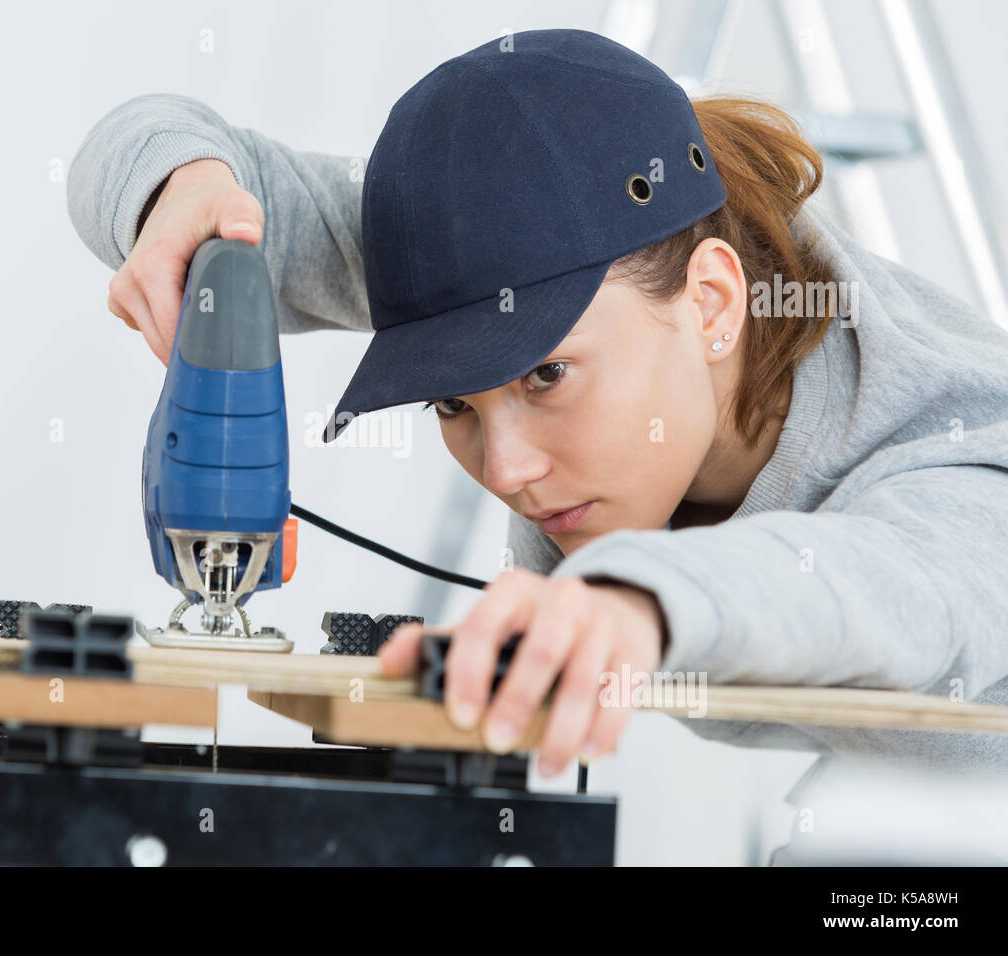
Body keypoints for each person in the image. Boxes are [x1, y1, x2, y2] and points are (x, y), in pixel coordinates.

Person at [68, 28, 1008, 779]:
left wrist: (637, 599)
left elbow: (862, 587)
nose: (508, 471)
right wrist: (181, 189)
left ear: (714, 303)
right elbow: (161, 142)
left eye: (547, 376)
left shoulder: (964, 453)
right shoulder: (549, 272)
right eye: (451, 404)